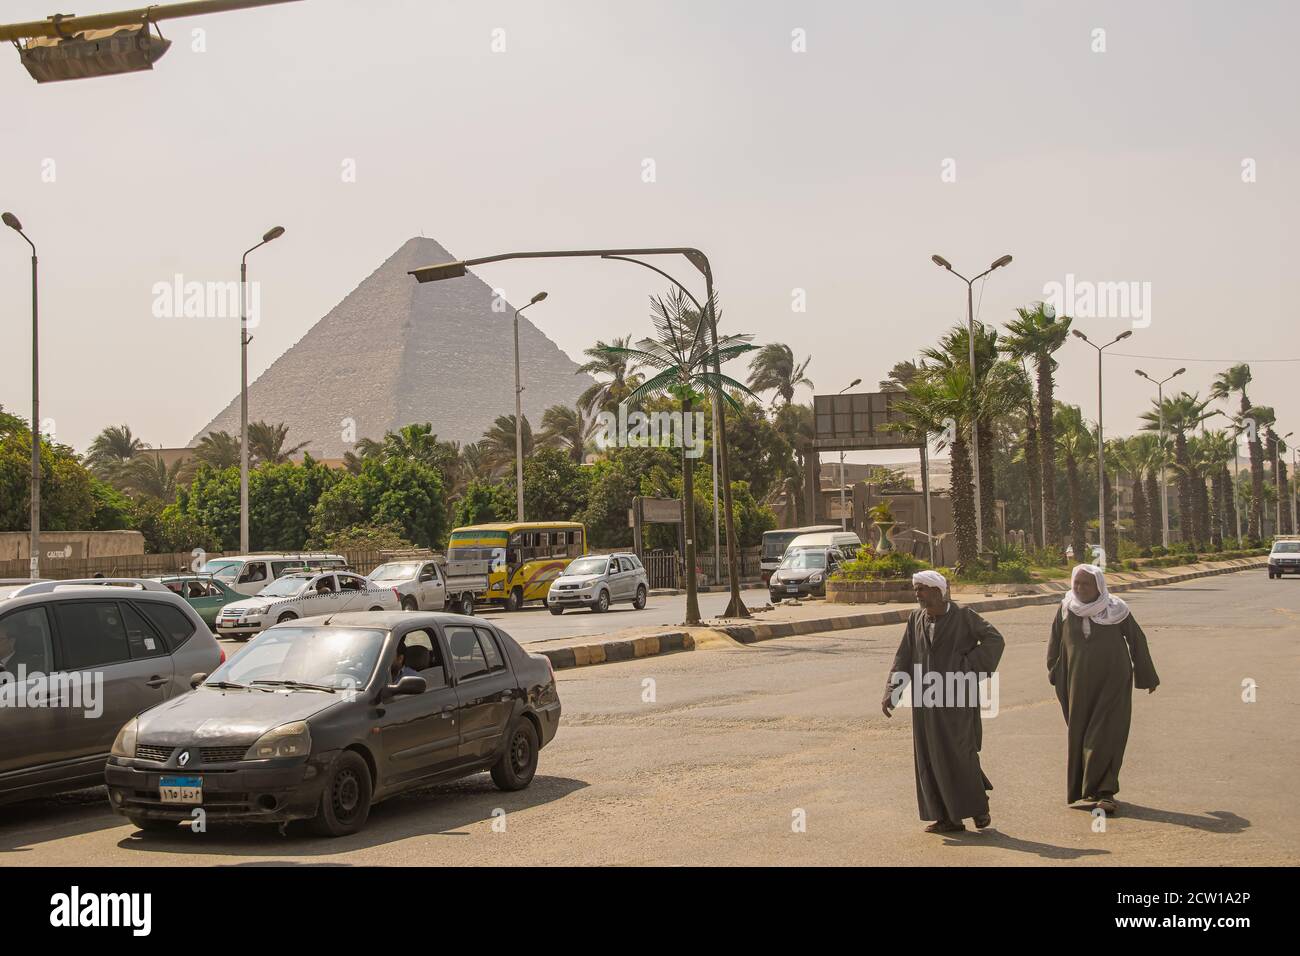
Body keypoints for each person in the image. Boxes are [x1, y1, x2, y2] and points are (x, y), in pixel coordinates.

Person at [881, 570, 1005, 833]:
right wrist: (893, 690)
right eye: (916, 589)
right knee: (930, 756)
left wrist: (969, 666)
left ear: (938, 591)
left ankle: (979, 808)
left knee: (961, 754)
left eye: (922, 589)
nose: (917, 594)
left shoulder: (963, 616)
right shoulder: (916, 619)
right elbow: (904, 655)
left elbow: (995, 639)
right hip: (925, 702)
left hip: (956, 698)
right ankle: (947, 818)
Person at [1048, 564, 1159, 816]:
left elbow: (1136, 640)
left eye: (1086, 584)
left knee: (1106, 733)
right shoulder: (1066, 608)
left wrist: (1146, 675)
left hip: (1113, 680)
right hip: (1076, 682)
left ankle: (1106, 791)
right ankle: (1088, 789)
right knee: (1082, 732)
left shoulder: (1116, 609)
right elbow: (1055, 642)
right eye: (1076, 583)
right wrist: (1055, 673)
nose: (1079, 588)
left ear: (1098, 586)